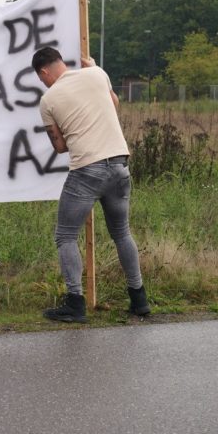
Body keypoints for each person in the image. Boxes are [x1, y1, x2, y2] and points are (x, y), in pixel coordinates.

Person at [32, 46, 150, 323]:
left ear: (44, 71)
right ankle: (139, 298)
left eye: (41, 78)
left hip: (87, 169)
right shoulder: (96, 73)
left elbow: (60, 146)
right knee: (121, 233)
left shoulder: (48, 100)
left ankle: (75, 303)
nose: (43, 82)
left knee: (65, 235)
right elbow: (114, 103)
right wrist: (97, 69)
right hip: (120, 165)